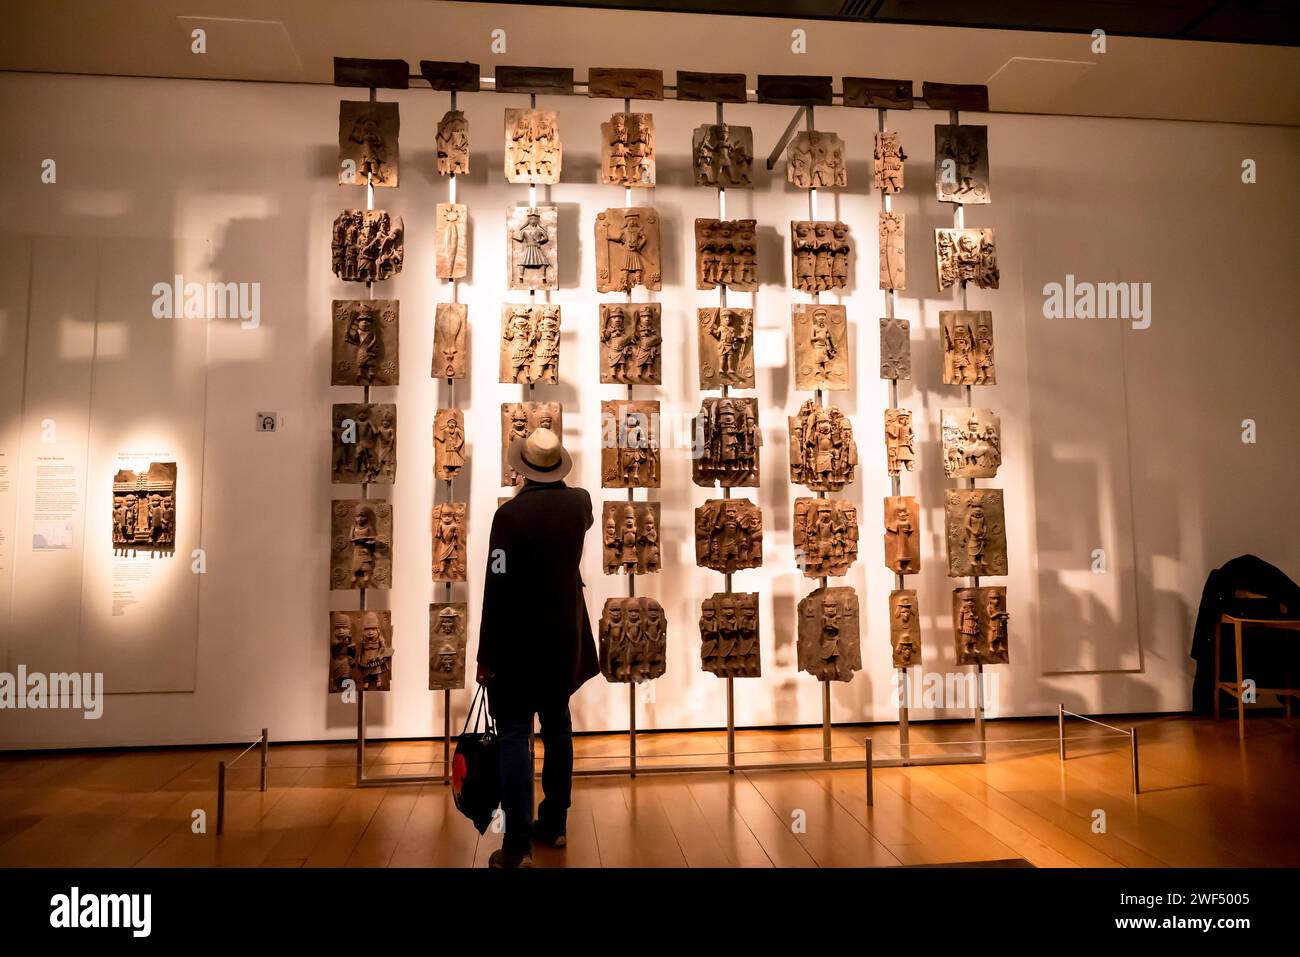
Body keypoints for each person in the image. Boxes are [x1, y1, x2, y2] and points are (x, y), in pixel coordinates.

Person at [476, 428, 597, 868]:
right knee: (558, 726)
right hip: (562, 637)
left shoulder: (508, 517)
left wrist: (485, 655)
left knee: (513, 735)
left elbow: (497, 584)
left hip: (516, 641)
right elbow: (577, 515)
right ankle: (555, 824)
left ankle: (517, 845)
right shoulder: (579, 504)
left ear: (521, 468)